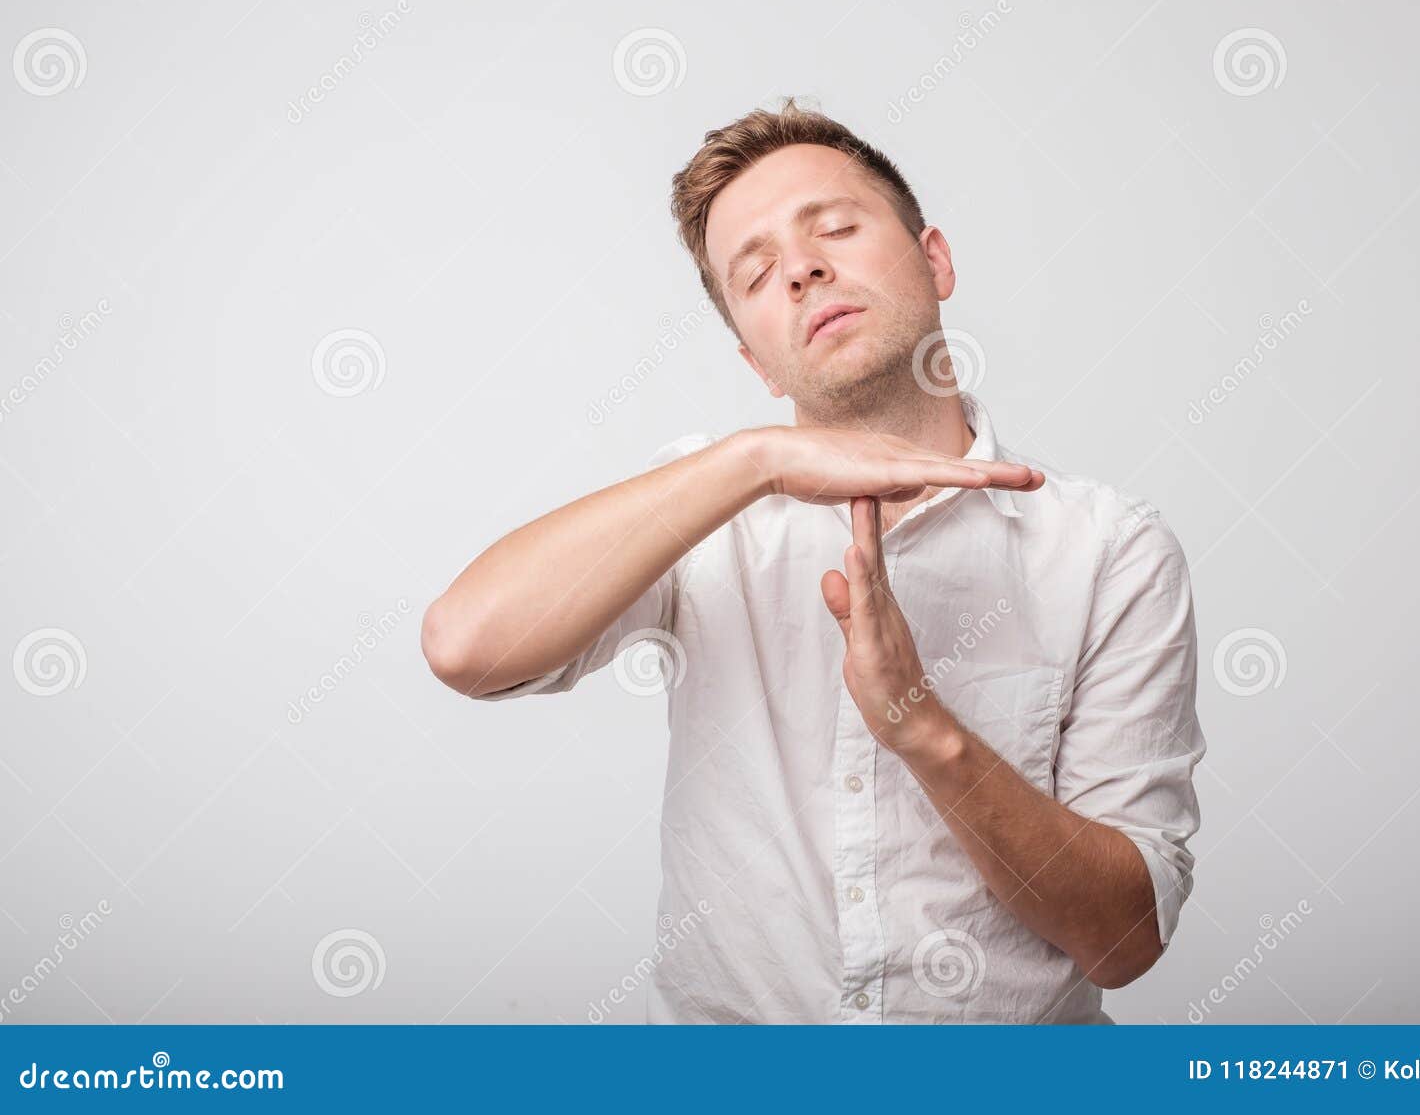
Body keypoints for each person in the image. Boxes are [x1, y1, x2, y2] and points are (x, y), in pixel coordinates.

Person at [421, 98, 1205, 1024]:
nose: (800, 268)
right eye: (755, 274)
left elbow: (1123, 941)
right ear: (756, 362)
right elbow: (466, 645)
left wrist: (923, 727)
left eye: (834, 227)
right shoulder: (706, 515)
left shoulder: (1111, 551)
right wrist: (758, 461)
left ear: (936, 259)